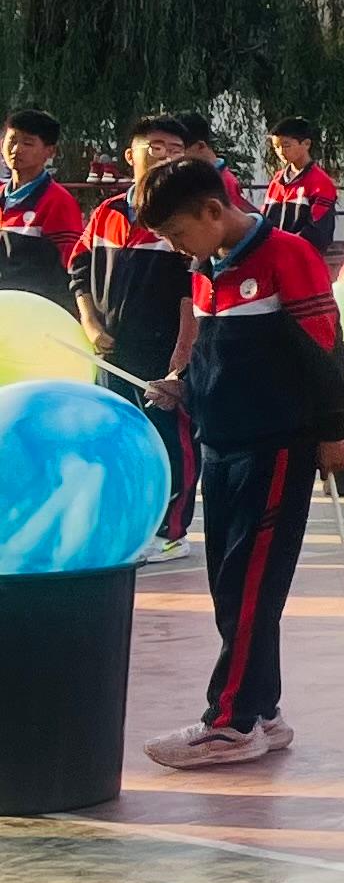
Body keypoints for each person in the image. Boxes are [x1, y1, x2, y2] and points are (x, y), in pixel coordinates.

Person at [135, 157, 344, 771]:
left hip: (275, 447)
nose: (177, 248)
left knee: (252, 587)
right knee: (229, 588)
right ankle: (263, 712)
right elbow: (215, 352)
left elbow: (325, 350)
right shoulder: (207, 266)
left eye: (178, 233)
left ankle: (229, 723)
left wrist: (332, 431)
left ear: (213, 211)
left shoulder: (288, 255)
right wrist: (185, 385)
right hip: (221, 443)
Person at [78, 119, 203, 558]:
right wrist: (91, 323)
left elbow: (194, 290)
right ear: (130, 156)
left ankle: (171, 532)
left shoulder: (185, 219)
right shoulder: (107, 212)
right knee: (116, 438)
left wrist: (181, 357)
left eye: (175, 148)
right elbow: (78, 268)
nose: (165, 155)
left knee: (171, 440)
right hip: (113, 351)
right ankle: (129, 523)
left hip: (163, 352)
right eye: (155, 147)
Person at [2, 107, 85, 306]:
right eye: (12, 140)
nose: (16, 149)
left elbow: (72, 265)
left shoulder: (58, 202)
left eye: (27, 143)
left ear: (50, 151)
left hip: (32, 308)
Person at [255, 117, 340, 250]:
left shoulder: (321, 182)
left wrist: (284, 246)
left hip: (302, 255)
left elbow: (319, 232)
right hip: (273, 253)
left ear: (306, 144)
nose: (281, 152)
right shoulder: (277, 180)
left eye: (286, 146)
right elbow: (265, 219)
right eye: (276, 147)